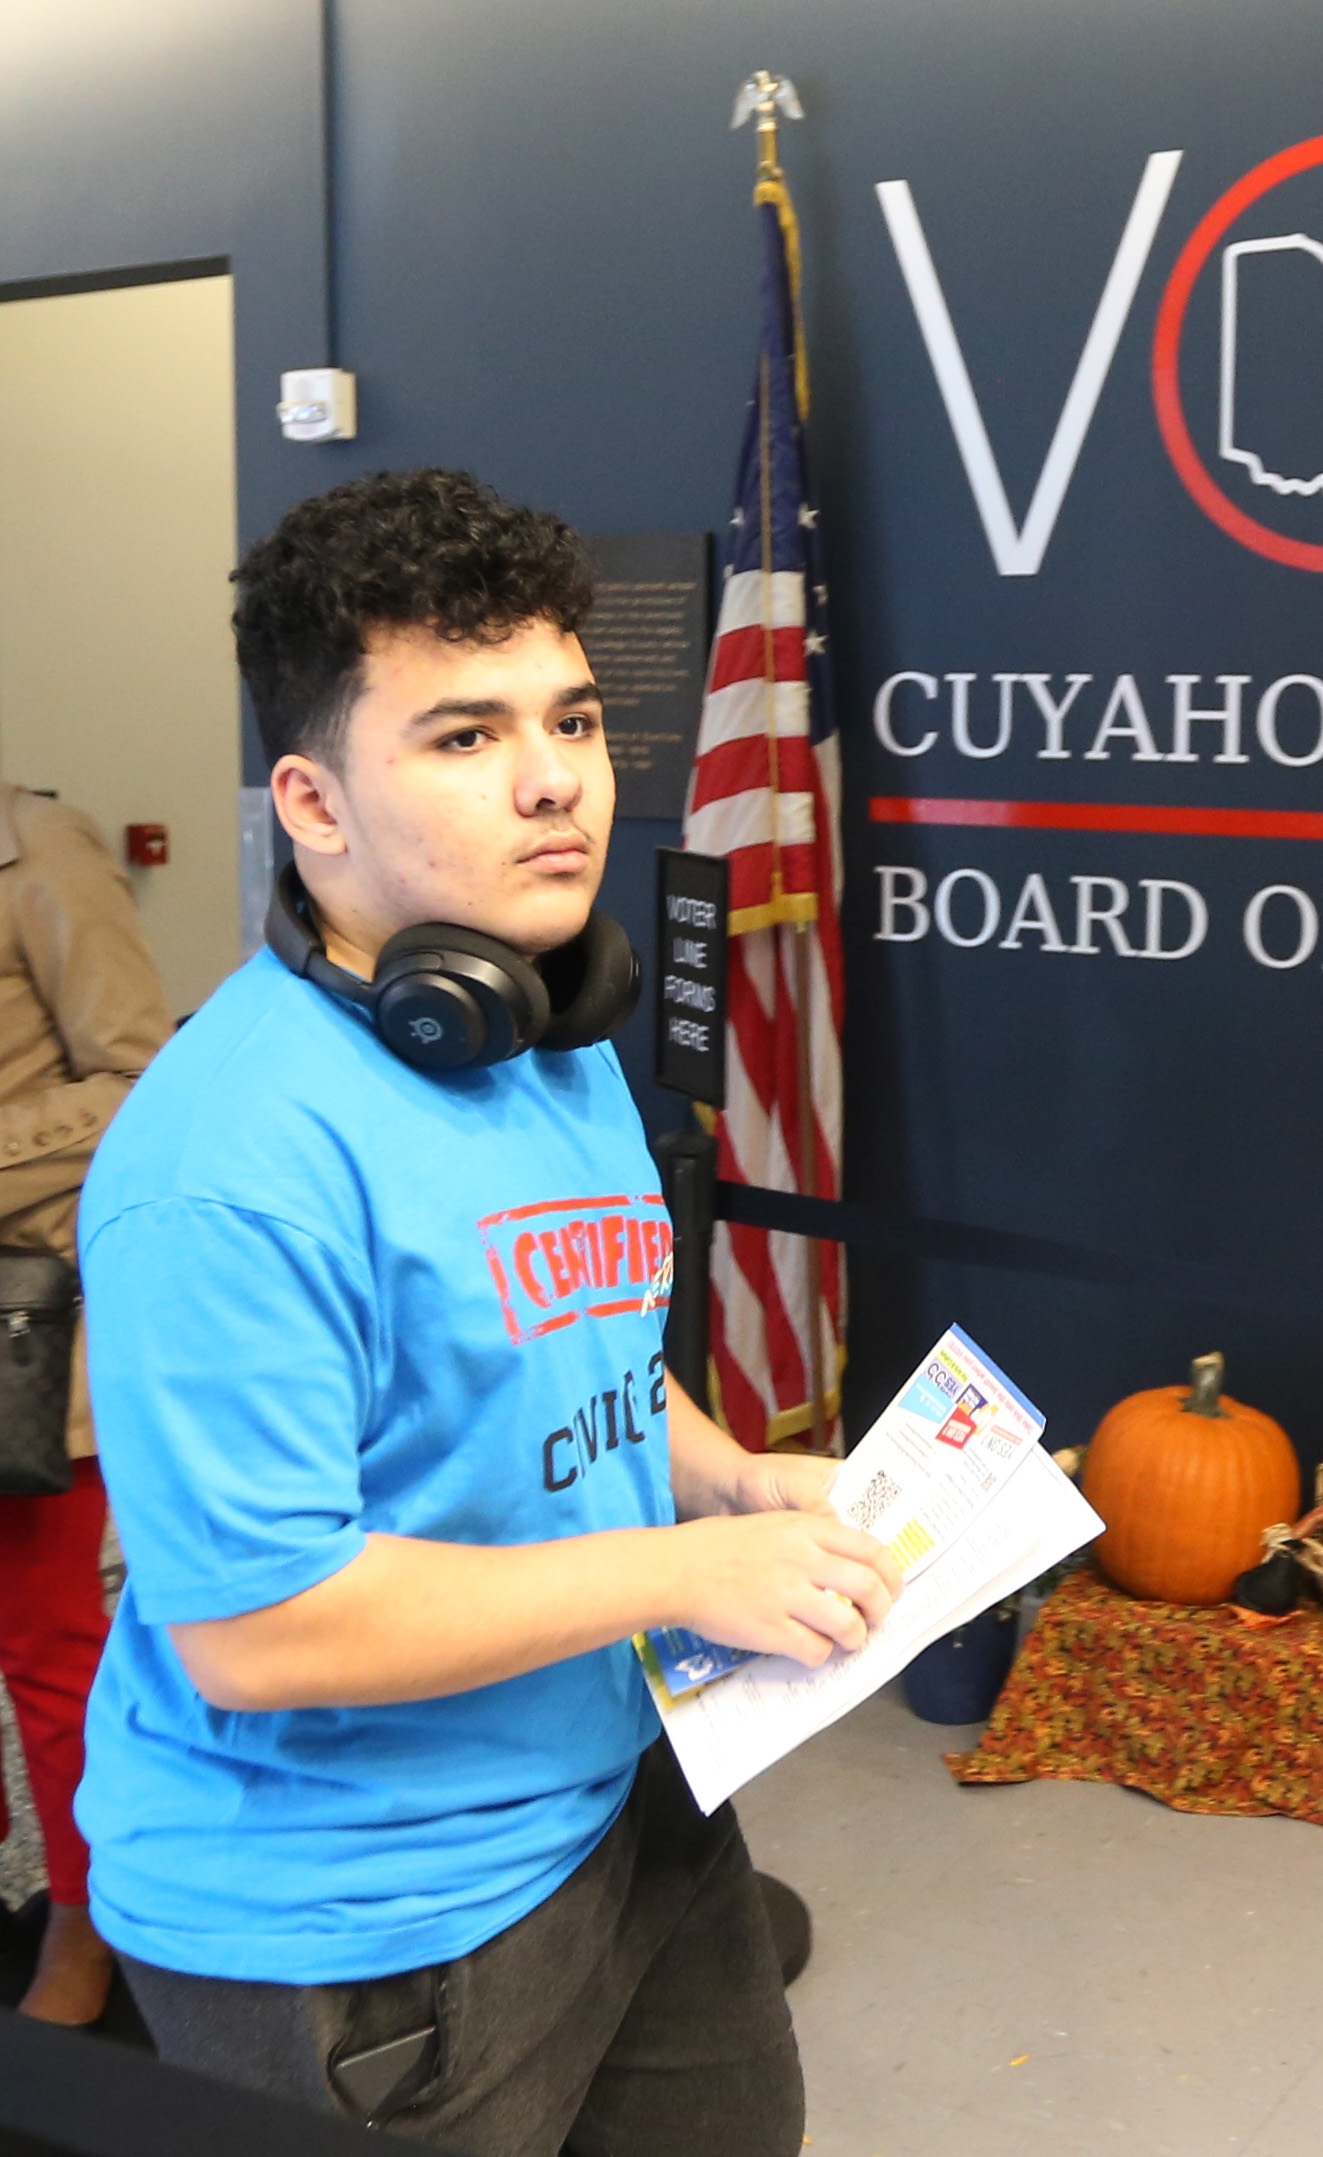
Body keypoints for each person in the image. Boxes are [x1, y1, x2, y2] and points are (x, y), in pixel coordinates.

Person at [74, 470, 900, 2155]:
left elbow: (582, 1352)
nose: (555, 785)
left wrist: (729, 1476)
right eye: (462, 736)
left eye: (575, 718)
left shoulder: (546, 1026)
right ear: (310, 801)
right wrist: (684, 1570)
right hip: (368, 1928)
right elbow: (262, 1624)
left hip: (624, 1800)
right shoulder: (228, 1162)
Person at [0, 783, 171, 2025]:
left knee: (49, 1653)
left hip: (18, 1332)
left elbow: (137, 1080)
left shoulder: (35, 843)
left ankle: (86, 1921)